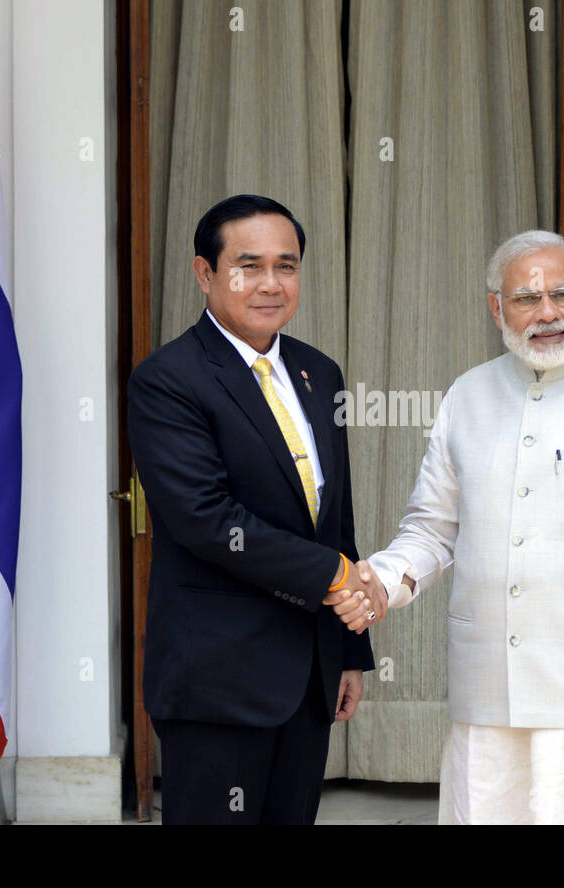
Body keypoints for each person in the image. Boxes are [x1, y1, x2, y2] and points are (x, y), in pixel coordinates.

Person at [326, 229, 564, 824]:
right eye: (526, 299)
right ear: (496, 307)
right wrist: (380, 579)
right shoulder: (467, 396)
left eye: (562, 295)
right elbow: (432, 530)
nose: (547, 314)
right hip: (487, 701)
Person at [128, 194, 377, 824]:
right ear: (205, 273)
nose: (271, 284)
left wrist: (349, 650)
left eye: (287, 266)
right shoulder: (169, 379)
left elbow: (334, 518)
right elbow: (206, 518)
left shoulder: (320, 373)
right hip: (219, 679)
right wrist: (335, 579)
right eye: (249, 266)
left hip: (310, 673)